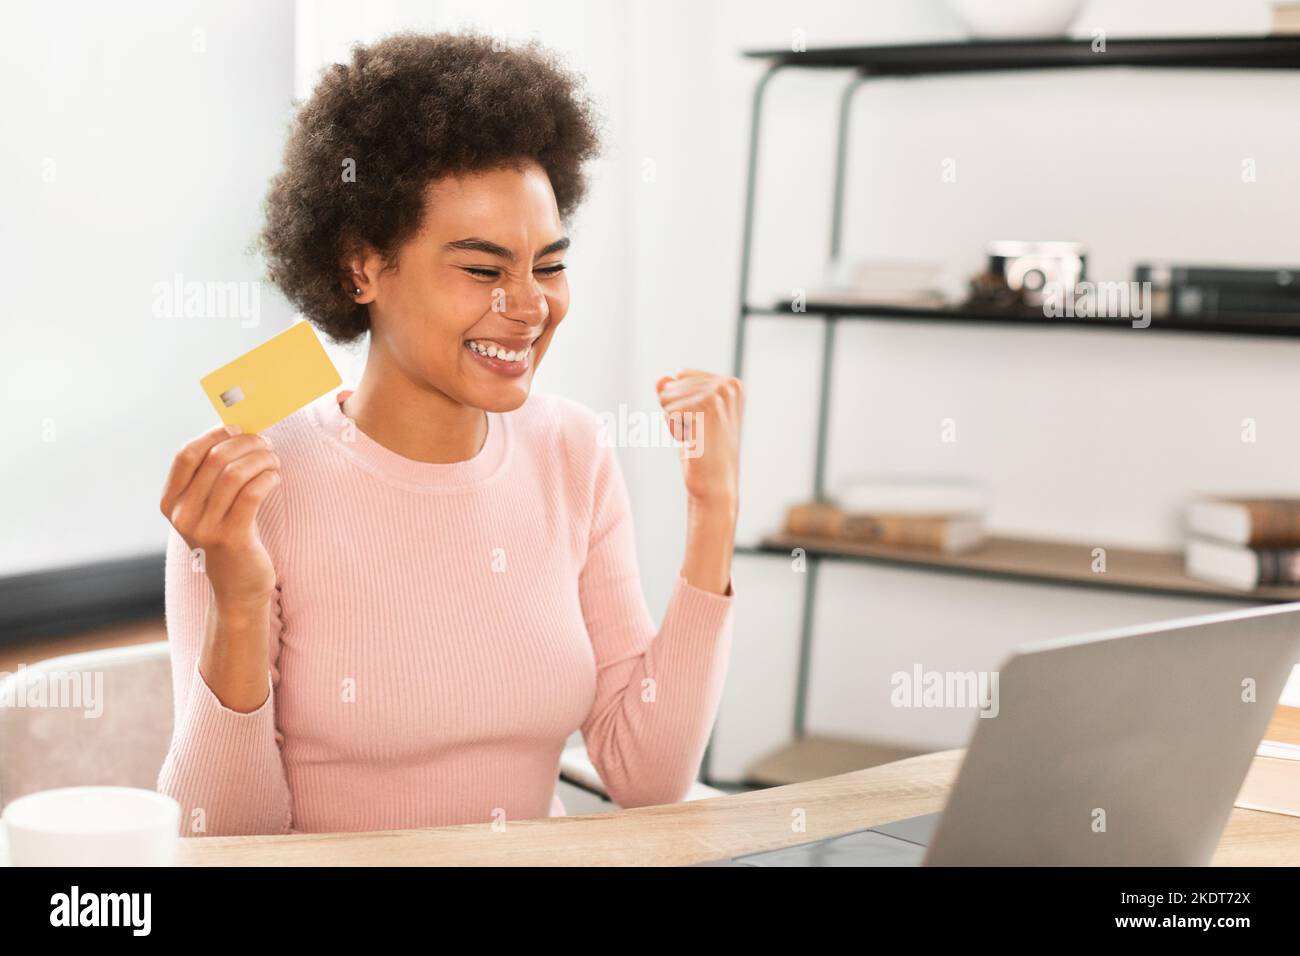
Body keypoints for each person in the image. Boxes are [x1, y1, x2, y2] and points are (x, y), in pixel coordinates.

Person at [155, 31, 743, 836]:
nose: (529, 306)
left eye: (548, 265)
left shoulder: (572, 450)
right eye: (482, 269)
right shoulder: (252, 489)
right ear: (361, 268)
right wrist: (240, 598)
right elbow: (221, 837)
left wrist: (713, 515)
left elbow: (646, 779)